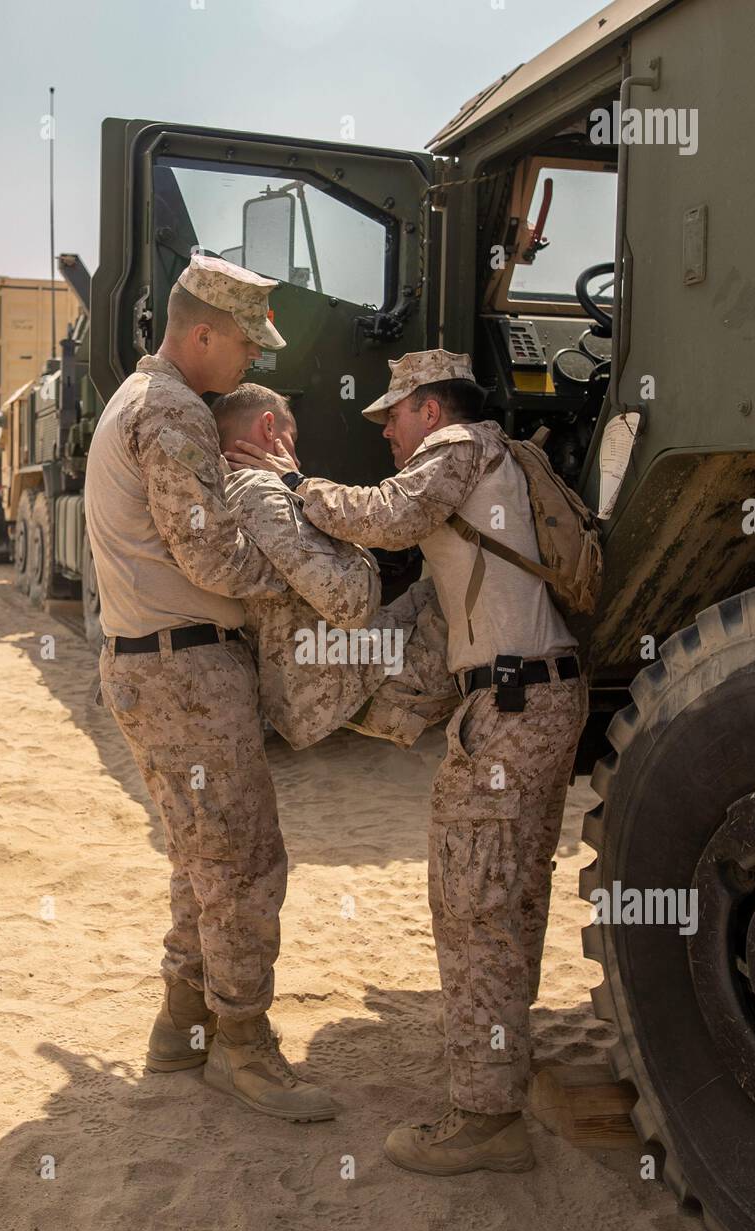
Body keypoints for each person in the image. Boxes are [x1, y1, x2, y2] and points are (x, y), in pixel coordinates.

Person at [225, 350, 589, 1172]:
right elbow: (421, 613)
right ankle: (505, 1068)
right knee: (513, 890)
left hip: (514, 706)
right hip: (539, 697)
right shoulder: (491, 461)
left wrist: (291, 486)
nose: (386, 429)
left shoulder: (457, 446)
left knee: (473, 900)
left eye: (392, 413)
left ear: (430, 407)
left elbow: (383, 517)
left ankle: (487, 1119)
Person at [84, 255, 336, 1123]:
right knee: (244, 861)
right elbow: (213, 557)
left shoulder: (141, 400)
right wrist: (306, 566)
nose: (252, 365)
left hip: (158, 663)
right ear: (201, 334)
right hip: (184, 670)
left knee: (202, 860)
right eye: (245, 346)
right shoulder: (172, 411)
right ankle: (243, 1045)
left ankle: (181, 1028)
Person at [212, 383, 458, 753]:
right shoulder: (260, 493)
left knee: (440, 589)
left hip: (343, 671)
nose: (296, 451)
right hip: (353, 683)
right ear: (268, 428)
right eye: (290, 437)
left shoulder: (233, 491)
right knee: (477, 604)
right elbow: (353, 603)